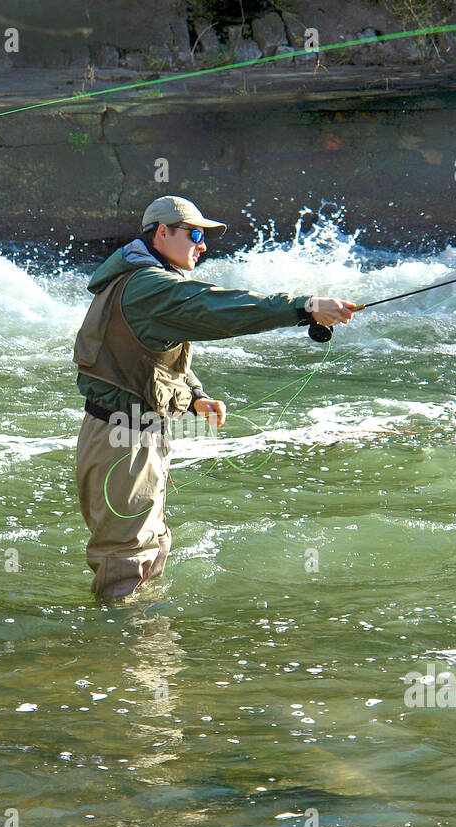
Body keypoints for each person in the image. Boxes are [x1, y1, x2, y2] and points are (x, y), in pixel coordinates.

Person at [73, 195, 356, 600]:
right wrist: (303, 308)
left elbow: (147, 353)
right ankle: (120, 653)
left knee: (150, 548)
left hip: (131, 434)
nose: (202, 245)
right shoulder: (149, 286)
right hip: (124, 439)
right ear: (162, 232)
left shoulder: (142, 280)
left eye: (204, 237)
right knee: (126, 559)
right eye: (193, 234)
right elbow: (218, 308)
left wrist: (193, 399)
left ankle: (144, 650)